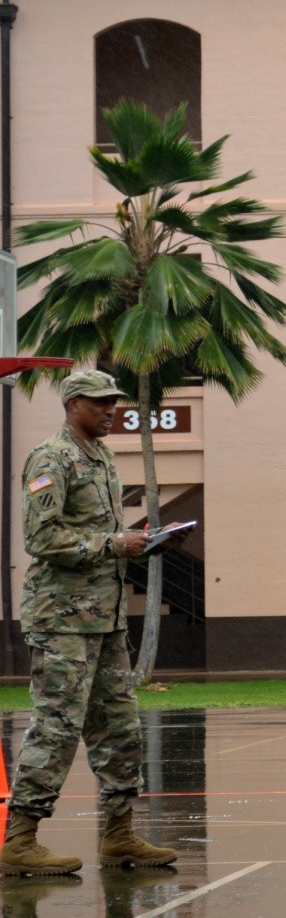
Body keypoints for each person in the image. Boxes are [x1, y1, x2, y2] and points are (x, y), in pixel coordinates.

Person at [1, 370, 183, 877]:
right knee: (56, 727)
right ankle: (19, 840)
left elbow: (99, 535)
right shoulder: (51, 458)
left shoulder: (100, 457)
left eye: (114, 402)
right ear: (73, 404)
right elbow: (41, 539)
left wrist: (147, 540)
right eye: (101, 402)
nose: (111, 410)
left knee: (120, 727)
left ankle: (119, 835)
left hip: (105, 617)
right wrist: (114, 543)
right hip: (61, 620)